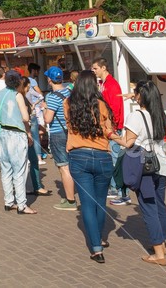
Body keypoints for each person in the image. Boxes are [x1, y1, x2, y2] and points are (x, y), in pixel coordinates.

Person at [110, 80, 166, 266]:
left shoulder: (135, 116)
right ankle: (163, 243)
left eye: (135, 93)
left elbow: (127, 143)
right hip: (160, 164)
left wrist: (110, 135)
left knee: (148, 207)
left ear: (139, 96)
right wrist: (136, 94)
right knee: (160, 205)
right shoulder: (160, 114)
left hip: (144, 167)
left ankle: (158, 253)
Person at [64, 70, 115, 263]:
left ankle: (96, 248)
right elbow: (109, 130)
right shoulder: (102, 105)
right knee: (100, 202)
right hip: (102, 156)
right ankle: (101, 238)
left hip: (78, 156)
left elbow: (69, 125)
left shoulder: (68, 104)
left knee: (87, 203)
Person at [0, 71, 36, 214]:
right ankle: (22, 204)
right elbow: (25, 117)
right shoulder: (17, 95)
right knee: (20, 170)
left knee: (6, 169)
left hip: (3, 133)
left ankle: (8, 201)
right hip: (17, 134)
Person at [92, 56, 128, 205]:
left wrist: (112, 127)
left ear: (103, 68)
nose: (93, 71)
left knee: (115, 159)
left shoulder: (111, 85)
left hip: (112, 127)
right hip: (109, 126)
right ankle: (115, 187)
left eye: (95, 68)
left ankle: (121, 191)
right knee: (111, 157)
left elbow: (114, 108)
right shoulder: (105, 84)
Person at [43, 66, 77, 211]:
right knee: (72, 164)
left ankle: (70, 200)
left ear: (50, 80)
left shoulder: (51, 97)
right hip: (72, 131)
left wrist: (44, 107)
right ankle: (72, 194)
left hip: (58, 133)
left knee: (63, 166)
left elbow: (48, 119)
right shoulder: (70, 91)